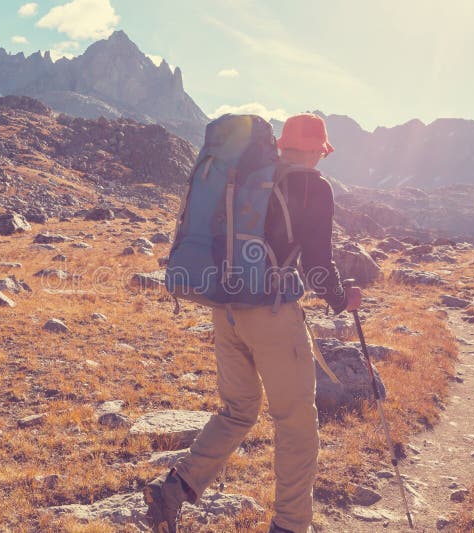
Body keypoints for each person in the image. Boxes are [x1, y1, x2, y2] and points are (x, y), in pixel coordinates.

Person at [144, 114, 362, 533]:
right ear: (318, 149)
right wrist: (341, 298)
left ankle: (174, 490)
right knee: (296, 422)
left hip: (226, 311)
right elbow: (318, 264)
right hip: (272, 316)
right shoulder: (311, 185)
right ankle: (291, 525)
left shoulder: (248, 179)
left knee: (238, 410)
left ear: (283, 144)